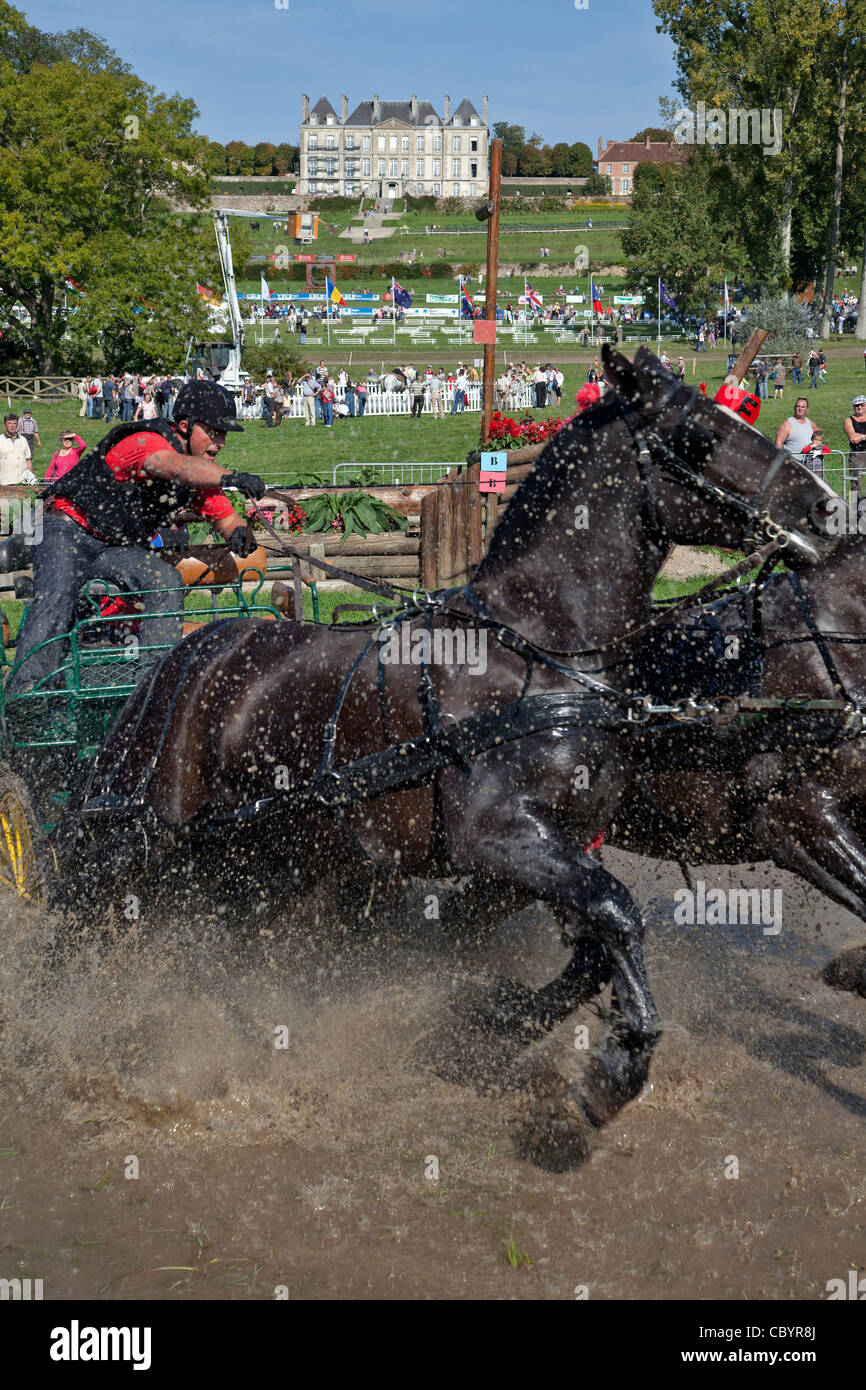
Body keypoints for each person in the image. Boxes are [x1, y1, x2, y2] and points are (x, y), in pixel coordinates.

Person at [10, 381, 264, 694]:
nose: (221, 441)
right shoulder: (146, 442)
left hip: (109, 547)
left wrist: (239, 533)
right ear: (184, 426)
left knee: (165, 578)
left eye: (224, 434)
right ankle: (27, 695)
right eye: (213, 431)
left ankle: (150, 689)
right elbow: (174, 467)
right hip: (63, 527)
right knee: (58, 596)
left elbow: (226, 516)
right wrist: (232, 477)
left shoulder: (200, 476)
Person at [0, 413, 36, 485]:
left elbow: (28, 461)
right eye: (10, 423)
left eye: (14, 423)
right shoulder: (1, 440)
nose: (12, 425)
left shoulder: (23, 440)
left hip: (22, 482)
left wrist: (31, 480)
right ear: (5, 425)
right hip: (5, 482)